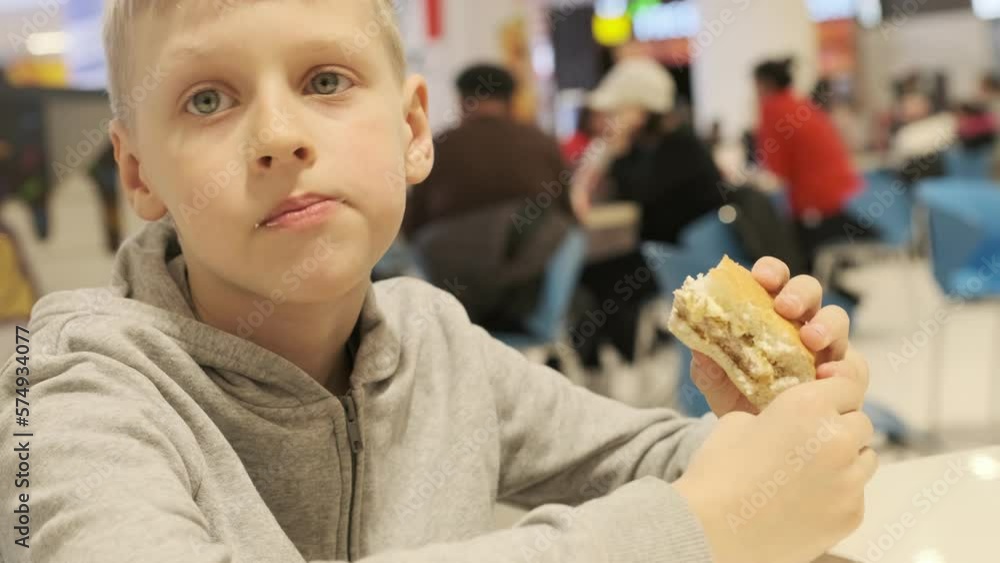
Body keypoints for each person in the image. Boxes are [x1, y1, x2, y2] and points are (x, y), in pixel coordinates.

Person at [0, 2, 876, 563]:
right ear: (138, 170)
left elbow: (654, 458)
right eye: (206, 99)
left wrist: (770, 435)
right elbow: (696, 515)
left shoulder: (435, 339)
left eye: (326, 80)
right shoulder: (70, 387)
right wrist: (693, 529)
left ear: (414, 130)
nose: (278, 135)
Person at [571, 57, 725, 367]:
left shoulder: (679, 146)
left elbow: (637, 193)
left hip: (682, 261)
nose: (611, 119)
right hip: (666, 255)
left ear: (642, 110)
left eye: (618, 111)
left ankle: (616, 361)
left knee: (595, 276)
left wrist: (615, 149)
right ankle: (612, 359)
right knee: (593, 273)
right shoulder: (658, 145)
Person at [402, 64, 574, 330]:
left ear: (462, 101)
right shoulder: (541, 142)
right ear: (512, 102)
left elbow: (413, 224)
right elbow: (568, 212)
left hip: (457, 305)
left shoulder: (439, 147)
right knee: (571, 236)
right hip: (527, 298)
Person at [753, 59, 867, 292]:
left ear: (764, 84)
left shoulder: (773, 108)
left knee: (785, 252)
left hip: (817, 206)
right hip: (841, 198)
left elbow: (775, 169)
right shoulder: (800, 104)